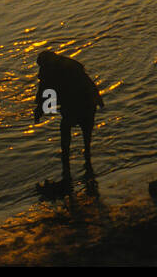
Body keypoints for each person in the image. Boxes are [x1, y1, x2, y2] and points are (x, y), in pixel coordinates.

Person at [33, 50, 104, 186]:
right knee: (85, 132)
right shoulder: (71, 66)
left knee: (66, 128)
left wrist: (39, 110)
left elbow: (45, 94)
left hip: (78, 105)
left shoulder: (52, 72)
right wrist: (98, 99)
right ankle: (86, 158)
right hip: (88, 104)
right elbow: (89, 82)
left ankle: (67, 161)